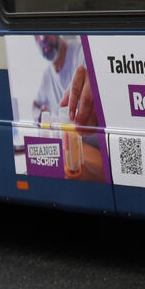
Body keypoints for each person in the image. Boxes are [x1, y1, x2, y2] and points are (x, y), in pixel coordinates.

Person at [26, 33, 105, 181]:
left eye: (45, 30)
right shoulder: (47, 75)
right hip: (73, 156)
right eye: (37, 35)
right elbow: (35, 105)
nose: (42, 38)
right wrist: (40, 115)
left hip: (99, 153)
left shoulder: (81, 53)